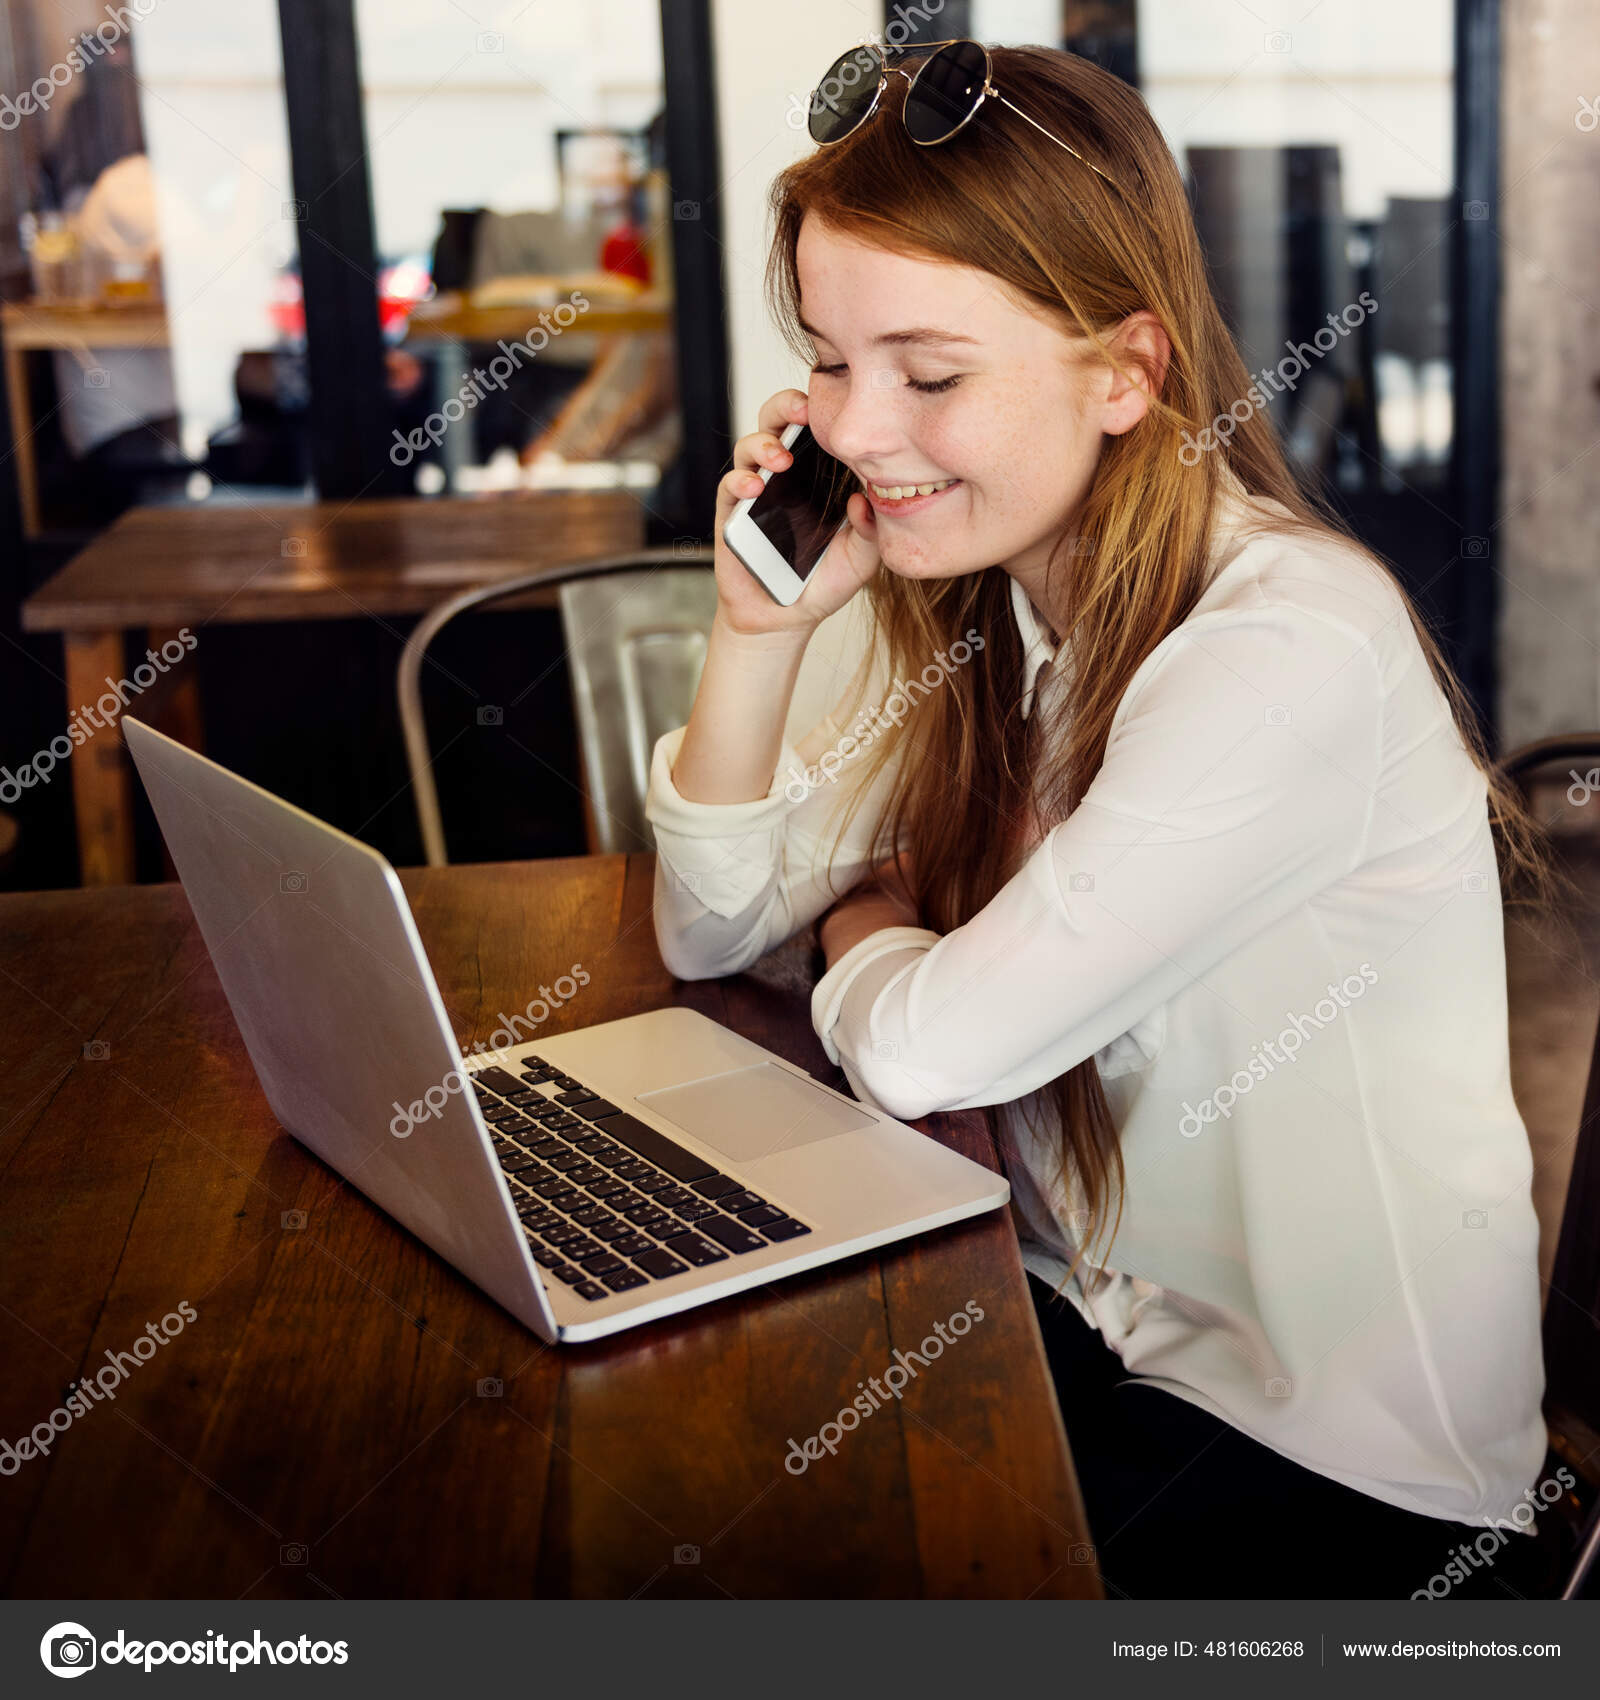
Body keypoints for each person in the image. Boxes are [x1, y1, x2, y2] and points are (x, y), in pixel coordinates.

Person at [643, 42, 1559, 1600]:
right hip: (1070, 1323)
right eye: (828, 359)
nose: (858, 432)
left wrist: (869, 924)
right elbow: (711, 922)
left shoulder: (1286, 645)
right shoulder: (982, 586)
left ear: (1127, 372)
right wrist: (759, 628)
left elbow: (935, 1048)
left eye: (930, 375)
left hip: (1342, 1479)